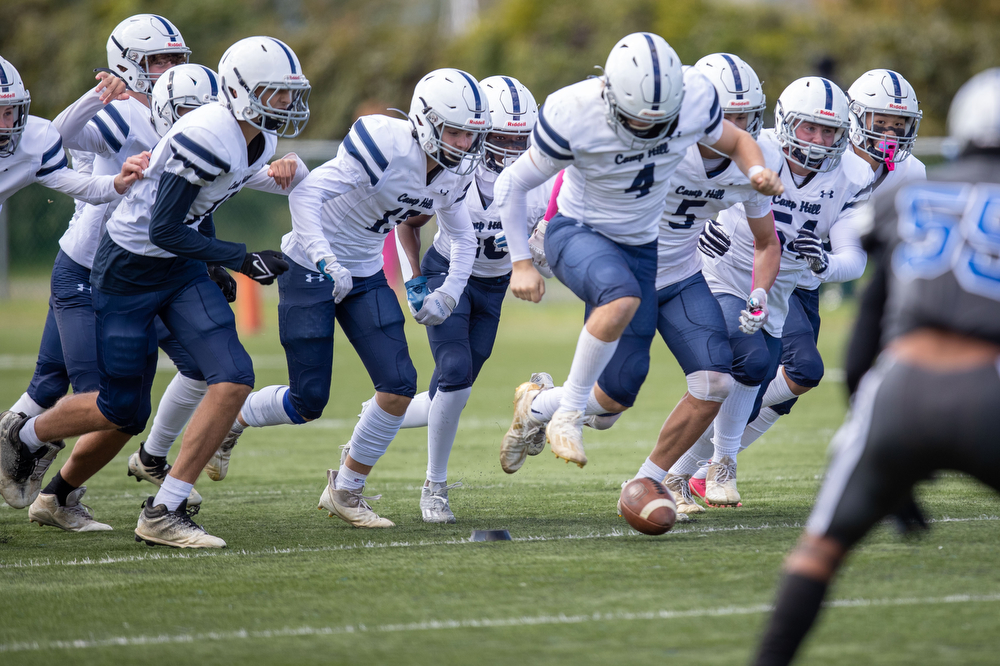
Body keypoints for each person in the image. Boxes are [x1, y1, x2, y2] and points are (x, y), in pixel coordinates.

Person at [0, 35, 311, 549]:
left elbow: (200, 212)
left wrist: (214, 262)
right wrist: (237, 258)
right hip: (129, 268)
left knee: (233, 377)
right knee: (120, 409)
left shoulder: (259, 138)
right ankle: (24, 436)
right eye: (276, 93)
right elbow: (164, 228)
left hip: (179, 269)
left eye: (289, 93)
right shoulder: (208, 135)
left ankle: (164, 509)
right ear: (239, 91)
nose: (288, 104)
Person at [752, 67, 1000, 666]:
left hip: (901, 388)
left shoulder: (907, 194)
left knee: (818, 552)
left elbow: (865, 342)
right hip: (986, 388)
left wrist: (880, 448)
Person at [496, 33, 783, 474]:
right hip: (586, 232)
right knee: (621, 298)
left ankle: (636, 472)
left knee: (626, 398)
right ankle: (567, 412)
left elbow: (739, 145)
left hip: (656, 255)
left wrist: (757, 170)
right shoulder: (575, 111)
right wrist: (522, 259)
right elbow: (515, 183)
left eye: (661, 120)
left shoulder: (694, 104)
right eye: (638, 120)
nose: (649, 130)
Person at [217, 68, 484, 528]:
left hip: (363, 271)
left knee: (399, 383)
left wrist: (449, 294)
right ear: (425, 122)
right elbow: (306, 194)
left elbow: (463, 237)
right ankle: (236, 418)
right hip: (308, 265)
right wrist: (325, 260)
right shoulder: (385, 144)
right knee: (308, 401)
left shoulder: (456, 172)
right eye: (454, 131)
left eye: (470, 134)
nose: (463, 144)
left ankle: (346, 489)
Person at [8, 15, 208, 528]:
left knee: (194, 369)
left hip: (152, 274)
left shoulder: (189, 110)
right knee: (103, 399)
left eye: (174, 59)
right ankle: (39, 468)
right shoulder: (117, 113)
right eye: (156, 60)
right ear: (125, 65)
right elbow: (54, 138)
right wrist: (98, 96)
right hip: (90, 267)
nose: (168, 70)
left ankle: (67, 485)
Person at [684, 76, 873, 507]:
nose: (819, 139)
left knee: (771, 372)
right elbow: (696, 182)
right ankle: (706, 465)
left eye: (829, 131)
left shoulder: (849, 175)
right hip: (726, 270)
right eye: (809, 127)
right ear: (785, 122)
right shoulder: (757, 147)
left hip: (785, 286)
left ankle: (692, 470)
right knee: (748, 363)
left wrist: (824, 263)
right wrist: (700, 229)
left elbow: (853, 256)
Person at [736, 69, 926, 458]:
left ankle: (712, 463)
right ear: (854, 118)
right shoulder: (812, 155)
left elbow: (868, 248)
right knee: (792, 370)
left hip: (809, 280)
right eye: (881, 123)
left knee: (789, 387)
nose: (889, 135)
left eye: (899, 125)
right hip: (768, 271)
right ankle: (707, 459)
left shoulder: (910, 173)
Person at [623, 53, 782, 515]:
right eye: (725, 116)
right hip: (627, 273)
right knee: (608, 405)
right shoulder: (658, 145)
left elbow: (766, 240)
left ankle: (656, 479)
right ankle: (540, 406)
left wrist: (758, 292)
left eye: (744, 117)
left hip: (684, 275)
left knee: (718, 378)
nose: (734, 127)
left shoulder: (755, 160)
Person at [394, 75, 550, 523]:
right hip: (449, 274)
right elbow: (409, 221)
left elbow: (549, 251)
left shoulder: (542, 180)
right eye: (502, 136)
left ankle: (373, 422)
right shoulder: (456, 170)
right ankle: (435, 486)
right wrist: (415, 280)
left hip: (495, 286)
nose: (511, 149)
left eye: (521, 138)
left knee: (451, 392)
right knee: (456, 373)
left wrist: (544, 248)